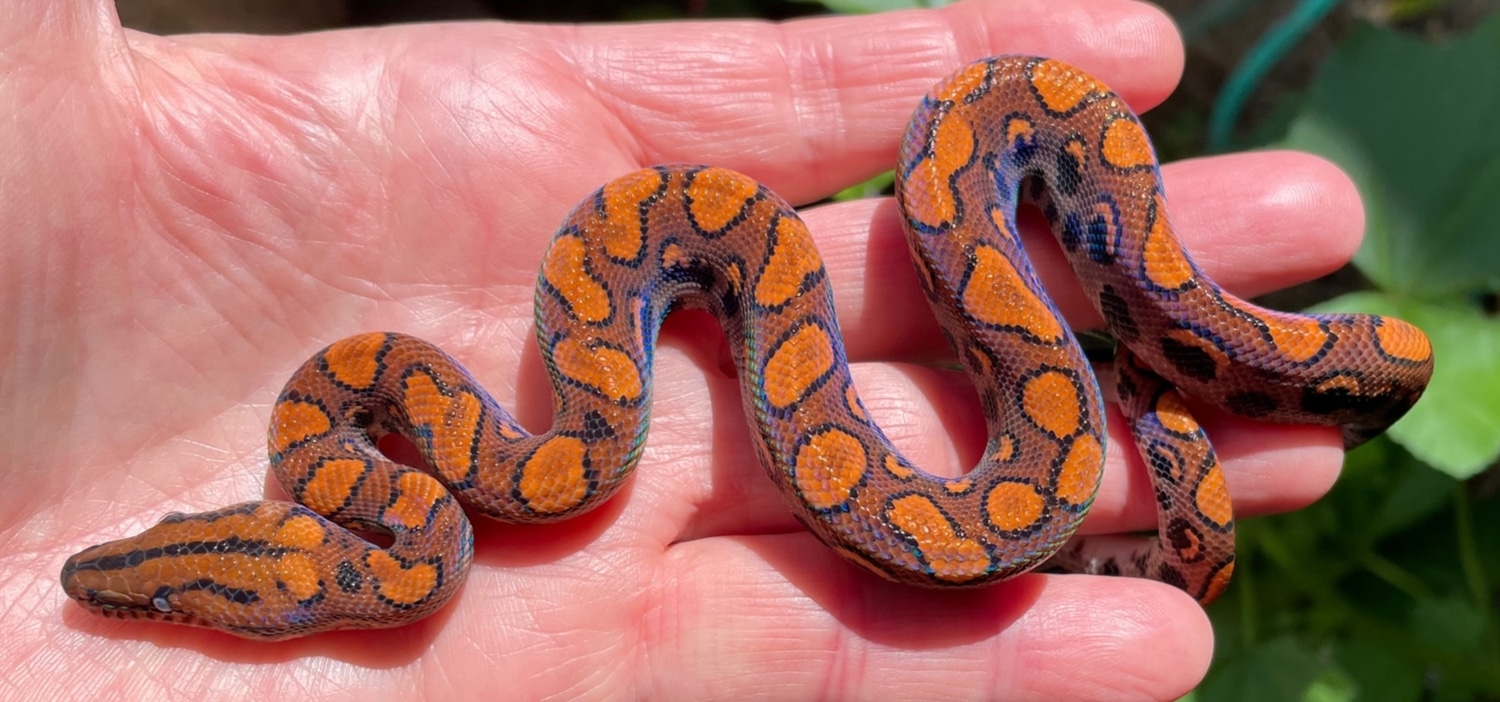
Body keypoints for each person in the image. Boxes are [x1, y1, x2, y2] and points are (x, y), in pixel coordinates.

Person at [3, 0, 1364, 698]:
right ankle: (1154, 427)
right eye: (174, 591)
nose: (150, 575)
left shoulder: (352, 440)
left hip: (863, 242)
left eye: (172, 573)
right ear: (291, 580)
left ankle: (1159, 411)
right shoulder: (398, 474)